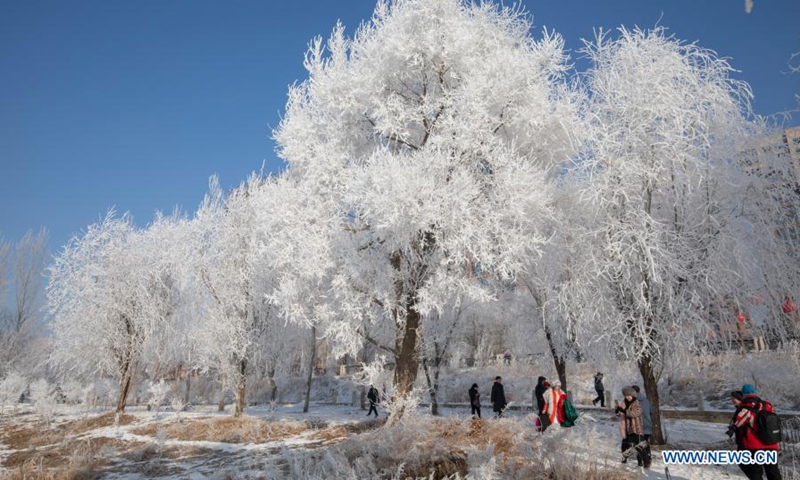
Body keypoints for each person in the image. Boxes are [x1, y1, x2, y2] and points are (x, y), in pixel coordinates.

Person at [727, 386, 782, 480]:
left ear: (743, 394)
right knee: (773, 471)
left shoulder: (745, 408)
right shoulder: (767, 405)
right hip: (771, 444)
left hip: (754, 446)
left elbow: (737, 423)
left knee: (754, 471)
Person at [616, 387, 647, 467]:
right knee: (624, 446)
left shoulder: (637, 404)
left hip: (635, 428)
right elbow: (620, 414)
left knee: (638, 447)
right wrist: (617, 410)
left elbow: (634, 414)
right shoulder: (623, 403)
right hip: (625, 428)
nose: (627, 397)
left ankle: (642, 463)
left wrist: (623, 410)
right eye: (626, 395)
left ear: (633, 395)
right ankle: (623, 461)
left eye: (629, 395)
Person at [631, 385, 653, 468]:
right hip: (647, 426)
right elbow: (652, 410)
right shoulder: (646, 400)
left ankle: (642, 462)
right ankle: (648, 461)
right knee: (646, 445)